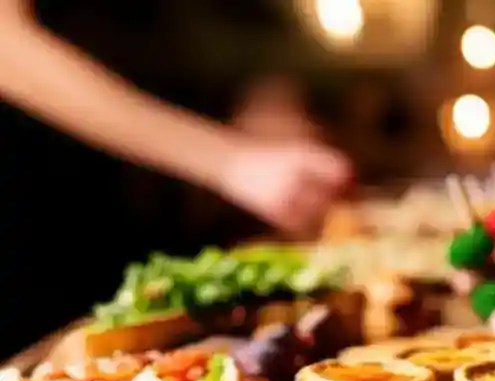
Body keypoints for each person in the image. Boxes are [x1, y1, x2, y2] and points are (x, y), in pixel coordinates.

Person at [0, 1, 350, 236]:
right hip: (59, 216)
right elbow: (7, 44)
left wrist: (266, 97)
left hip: (194, 216)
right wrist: (228, 160)